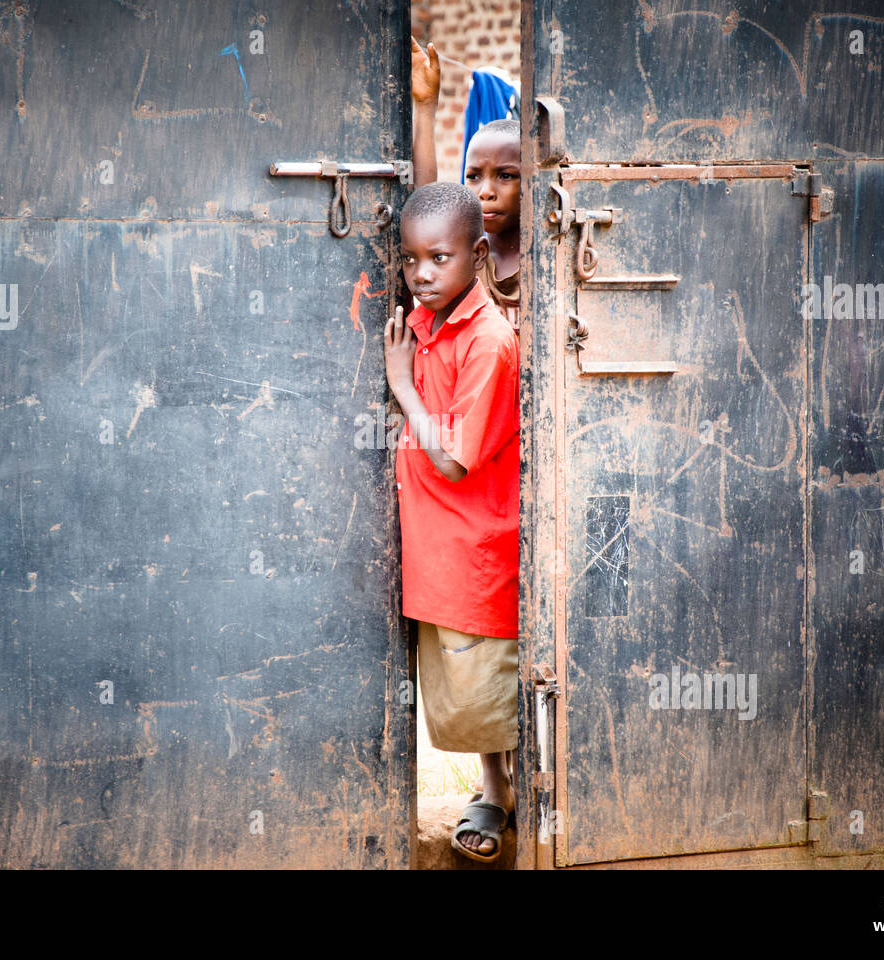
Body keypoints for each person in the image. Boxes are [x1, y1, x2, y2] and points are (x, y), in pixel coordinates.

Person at [383, 182, 520, 862]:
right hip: (435, 551)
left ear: (477, 254)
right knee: (460, 693)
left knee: (486, 687)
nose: (422, 274)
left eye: (439, 257)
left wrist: (401, 385)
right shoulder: (426, 324)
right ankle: (497, 787)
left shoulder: (489, 342)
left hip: (475, 549)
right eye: (410, 260)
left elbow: (456, 460)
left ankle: (502, 795)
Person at [411, 38, 521, 333]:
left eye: (506, 176)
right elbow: (422, 206)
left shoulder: (547, 259)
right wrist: (424, 106)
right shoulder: (465, 260)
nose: (485, 191)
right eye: (473, 176)